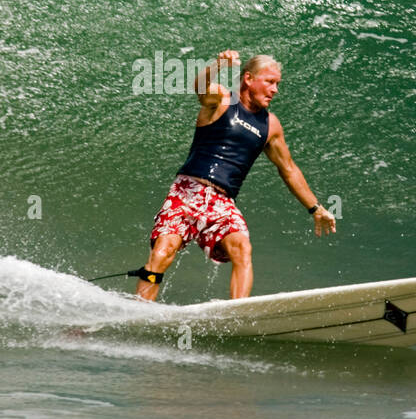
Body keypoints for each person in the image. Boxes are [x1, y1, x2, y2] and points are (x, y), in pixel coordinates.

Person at [129, 50, 336, 301]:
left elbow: (289, 169)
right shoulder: (222, 100)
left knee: (241, 247)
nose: (275, 90)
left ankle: (238, 312)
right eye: (270, 82)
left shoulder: (270, 125)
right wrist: (218, 65)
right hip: (188, 190)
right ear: (249, 79)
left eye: (278, 84)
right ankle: (141, 309)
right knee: (163, 251)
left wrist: (316, 208)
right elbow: (200, 87)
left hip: (222, 202)